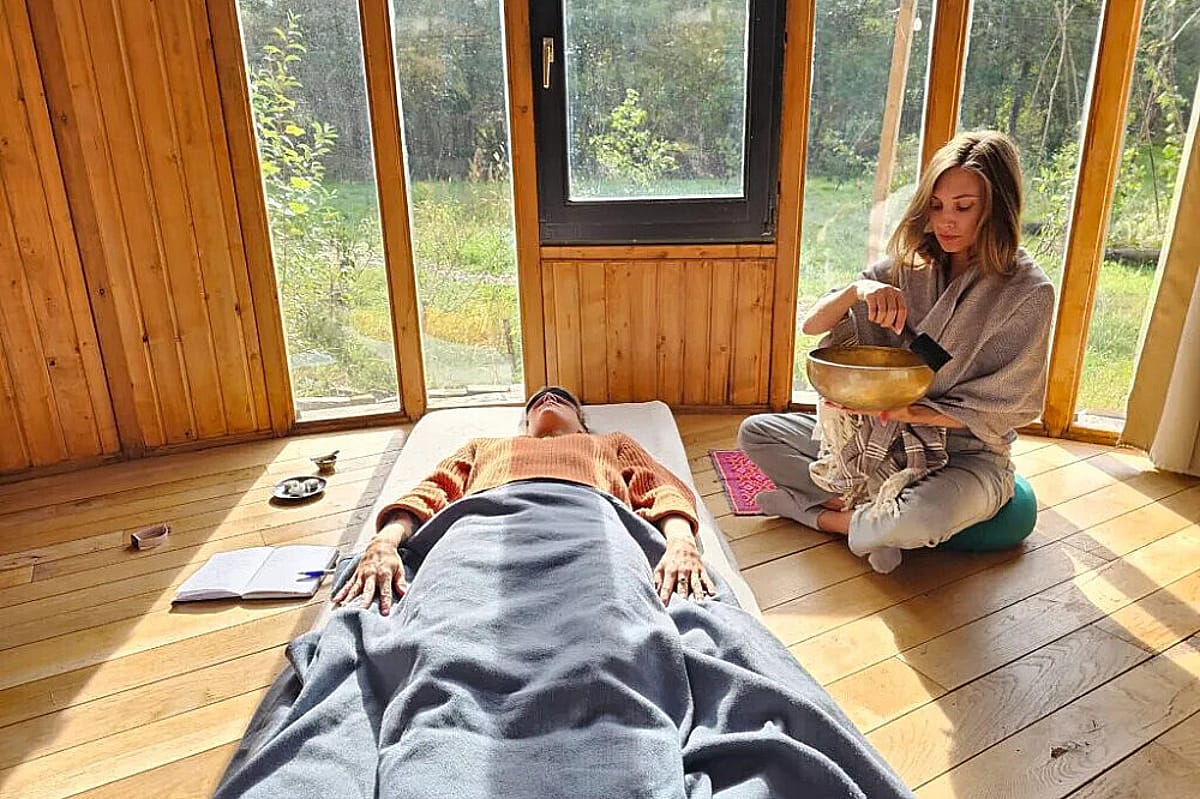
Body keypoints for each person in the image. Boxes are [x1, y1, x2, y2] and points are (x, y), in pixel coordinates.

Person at [740, 130, 1054, 571]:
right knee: (756, 433)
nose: (947, 220)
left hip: (966, 456)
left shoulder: (1027, 292)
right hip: (877, 441)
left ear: (997, 208)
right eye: (938, 205)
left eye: (964, 207)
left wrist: (919, 413)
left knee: (921, 517)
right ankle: (873, 522)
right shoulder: (904, 270)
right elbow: (813, 326)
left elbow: (1013, 404)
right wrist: (858, 289)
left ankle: (822, 517)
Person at [334, 385, 715, 613]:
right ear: (525, 423)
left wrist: (681, 544)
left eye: (561, 398)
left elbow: (659, 487)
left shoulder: (609, 442)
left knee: (607, 615)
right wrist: (383, 543)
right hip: (481, 530)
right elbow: (433, 491)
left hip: (589, 525)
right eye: (537, 402)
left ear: (582, 421)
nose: (548, 397)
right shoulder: (486, 447)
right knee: (445, 616)